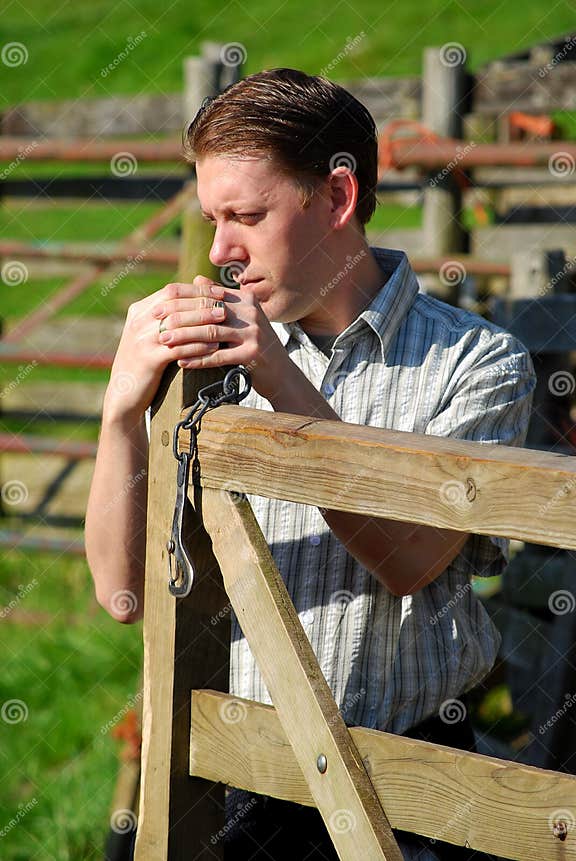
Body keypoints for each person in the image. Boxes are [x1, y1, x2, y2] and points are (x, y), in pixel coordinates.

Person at [85, 68, 536, 860]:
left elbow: (411, 561)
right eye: (212, 218)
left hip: (408, 792)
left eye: (247, 216)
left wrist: (279, 379)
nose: (221, 251)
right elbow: (123, 592)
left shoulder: (477, 361)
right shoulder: (204, 360)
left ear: (336, 197)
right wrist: (121, 412)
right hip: (229, 782)